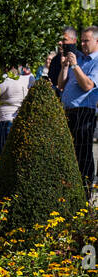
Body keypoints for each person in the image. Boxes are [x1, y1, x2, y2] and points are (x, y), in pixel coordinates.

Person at [60, 26, 98, 192]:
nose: (82, 44)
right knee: (69, 154)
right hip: (68, 111)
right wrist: (65, 67)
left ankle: (85, 192)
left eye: (86, 40)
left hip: (84, 112)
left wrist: (75, 66)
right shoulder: (80, 58)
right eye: (81, 40)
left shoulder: (96, 62)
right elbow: (61, 84)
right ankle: (71, 191)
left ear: (97, 41)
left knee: (83, 154)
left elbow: (87, 85)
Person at [0, 68, 30, 155]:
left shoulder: (5, 81)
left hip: (4, 120)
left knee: (3, 152)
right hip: (16, 119)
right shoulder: (23, 80)